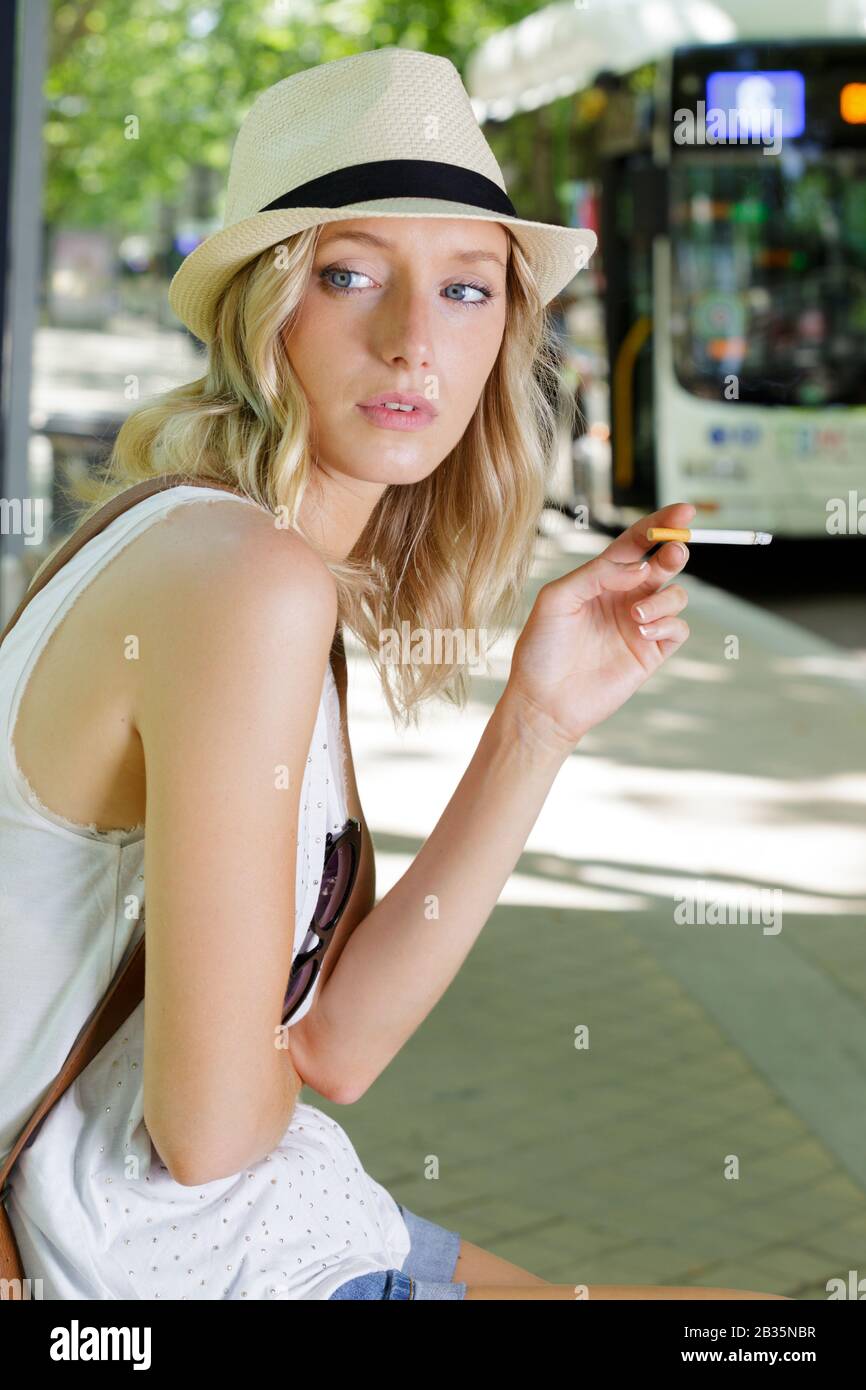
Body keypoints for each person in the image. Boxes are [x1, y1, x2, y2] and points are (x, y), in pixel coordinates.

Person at [0, 48, 785, 1301]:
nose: (413, 339)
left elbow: (334, 1047)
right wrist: (234, 1043)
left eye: (467, 291)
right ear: (263, 308)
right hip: (179, 1268)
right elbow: (208, 1132)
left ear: (503, 341)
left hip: (288, 1224)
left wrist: (536, 718)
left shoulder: (243, 563)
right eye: (349, 273)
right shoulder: (243, 579)